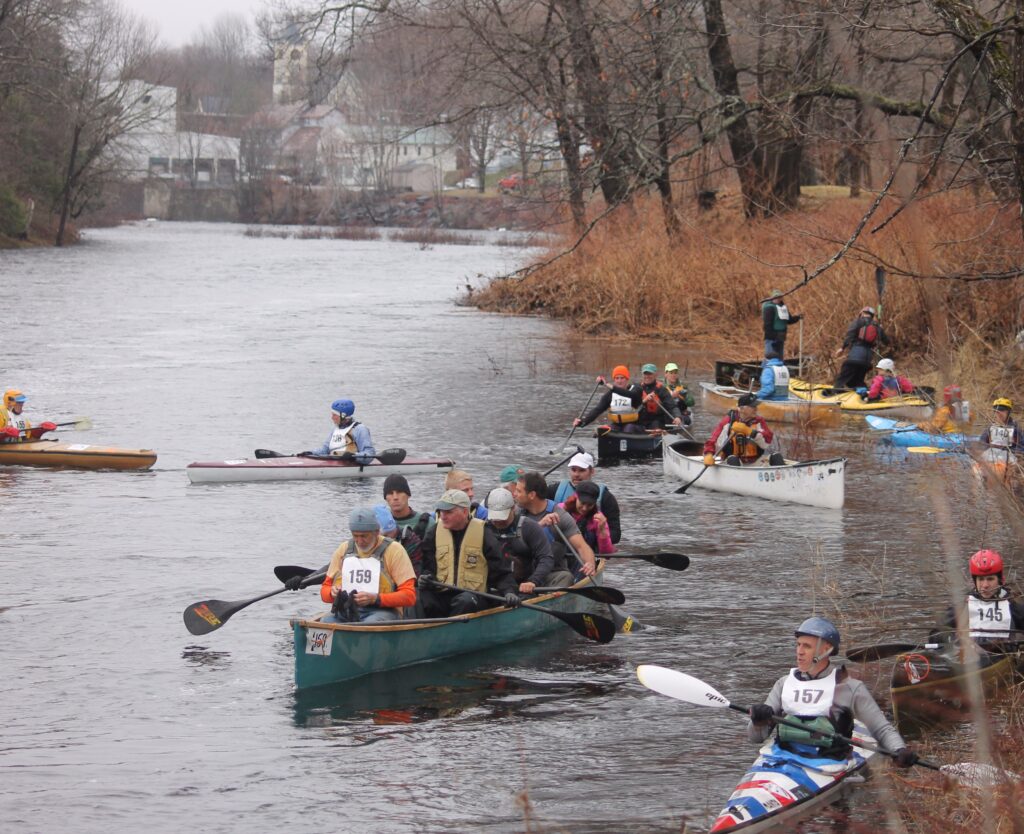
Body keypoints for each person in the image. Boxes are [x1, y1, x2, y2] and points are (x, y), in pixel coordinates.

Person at [747, 617, 916, 767]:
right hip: (781, 759)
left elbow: (881, 729)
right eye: (798, 645)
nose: (799, 651)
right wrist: (757, 721)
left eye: (807, 646)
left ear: (825, 650)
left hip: (829, 764)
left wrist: (899, 750)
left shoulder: (849, 687)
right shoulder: (784, 684)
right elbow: (755, 738)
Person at [417, 489, 519, 617]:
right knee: (420, 597)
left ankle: (452, 627)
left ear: (465, 512)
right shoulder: (433, 533)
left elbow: (500, 571)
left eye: (449, 512)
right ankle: (432, 626)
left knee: (465, 601)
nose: (443, 516)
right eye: (441, 511)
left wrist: (509, 591)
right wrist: (426, 577)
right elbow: (427, 567)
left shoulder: (484, 533)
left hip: (474, 596)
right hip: (442, 593)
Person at [315, 506, 417, 623]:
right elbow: (324, 591)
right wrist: (331, 593)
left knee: (369, 624)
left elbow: (409, 596)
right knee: (325, 622)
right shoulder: (344, 549)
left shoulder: (395, 550)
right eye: (355, 536)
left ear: (376, 532)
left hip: (383, 611)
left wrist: (375, 598)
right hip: (347, 610)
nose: (359, 541)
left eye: (364, 536)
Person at [484, 487, 573, 593]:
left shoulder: (529, 527)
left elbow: (546, 558)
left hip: (526, 584)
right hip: (495, 585)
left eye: (502, 517)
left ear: (513, 508)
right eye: (495, 517)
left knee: (565, 577)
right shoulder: (484, 528)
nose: (498, 521)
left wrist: (533, 581)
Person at [515, 471, 597, 579]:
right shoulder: (515, 513)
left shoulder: (560, 517)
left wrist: (590, 564)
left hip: (551, 574)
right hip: (520, 572)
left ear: (532, 495)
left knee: (566, 577)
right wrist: (539, 525)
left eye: (518, 491)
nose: (514, 494)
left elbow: (582, 547)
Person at [933, 550, 1024, 645]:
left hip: (1005, 653)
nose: (985, 585)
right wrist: (953, 639)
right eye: (981, 579)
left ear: (1000, 580)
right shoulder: (963, 607)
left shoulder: (1013, 607)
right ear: (975, 581)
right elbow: (934, 635)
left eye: (990, 579)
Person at [546, 450, 621, 544]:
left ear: (592, 471)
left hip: (591, 547)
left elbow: (616, 536)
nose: (576, 475)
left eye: (582, 470)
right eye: (573, 470)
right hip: (560, 546)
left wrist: (601, 530)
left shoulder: (606, 498)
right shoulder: (554, 490)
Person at [702, 393, 782, 466]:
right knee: (733, 460)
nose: (756, 409)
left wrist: (750, 432)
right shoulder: (729, 421)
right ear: (742, 409)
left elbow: (766, 444)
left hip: (756, 462)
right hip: (734, 462)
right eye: (752, 407)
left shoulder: (759, 421)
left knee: (776, 457)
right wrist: (708, 454)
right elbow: (713, 440)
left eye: (756, 406)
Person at [574, 365, 644, 432]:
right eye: (617, 378)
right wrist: (583, 422)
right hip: (617, 425)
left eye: (622, 378)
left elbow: (630, 395)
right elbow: (597, 410)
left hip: (636, 425)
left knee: (629, 428)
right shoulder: (610, 395)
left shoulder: (636, 389)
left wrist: (607, 384)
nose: (619, 381)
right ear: (614, 380)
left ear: (627, 379)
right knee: (606, 430)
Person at [834, 307, 890, 390]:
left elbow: (850, 336)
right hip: (867, 360)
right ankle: (864, 393)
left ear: (862, 313)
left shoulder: (857, 322)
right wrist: (881, 329)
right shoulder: (877, 326)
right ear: (872, 316)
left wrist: (842, 348)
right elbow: (887, 341)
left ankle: (835, 392)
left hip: (854, 357)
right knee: (857, 381)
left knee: (842, 379)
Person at [307, 399, 376, 464]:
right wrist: (311, 453)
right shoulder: (335, 429)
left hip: (351, 465)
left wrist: (354, 456)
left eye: (334, 415)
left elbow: (369, 453)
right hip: (334, 463)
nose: (332, 418)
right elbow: (325, 450)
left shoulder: (360, 429)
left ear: (343, 416)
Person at [560, 480, 615, 555]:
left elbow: (606, 555)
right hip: (562, 557)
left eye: (590, 505)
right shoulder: (559, 510)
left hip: (588, 558)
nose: (584, 508)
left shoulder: (599, 519)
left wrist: (602, 531)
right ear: (576, 497)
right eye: (582, 503)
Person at [373, 502, 424, 575]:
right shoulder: (368, 541)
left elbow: (416, 571)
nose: (388, 538)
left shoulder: (410, 540)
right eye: (383, 536)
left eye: (390, 533)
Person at [637, 363, 682, 431]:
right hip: (641, 421)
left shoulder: (662, 390)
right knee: (630, 427)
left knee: (656, 425)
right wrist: (644, 400)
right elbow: (633, 407)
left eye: (650, 374)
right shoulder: (637, 388)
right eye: (645, 374)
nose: (647, 376)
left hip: (657, 420)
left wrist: (677, 417)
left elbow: (672, 406)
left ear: (655, 375)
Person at [762, 289, 801, 359]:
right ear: (772, 298)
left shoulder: (783, 308)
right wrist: (771, 336)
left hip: (781, 336)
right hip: (771, 337)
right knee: (770, 357)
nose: (778, 299)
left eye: (779, 297)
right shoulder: (769, 308)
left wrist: (798, 317)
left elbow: (789, 320)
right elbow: (767, 324)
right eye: (776, 297)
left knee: (779, 358)